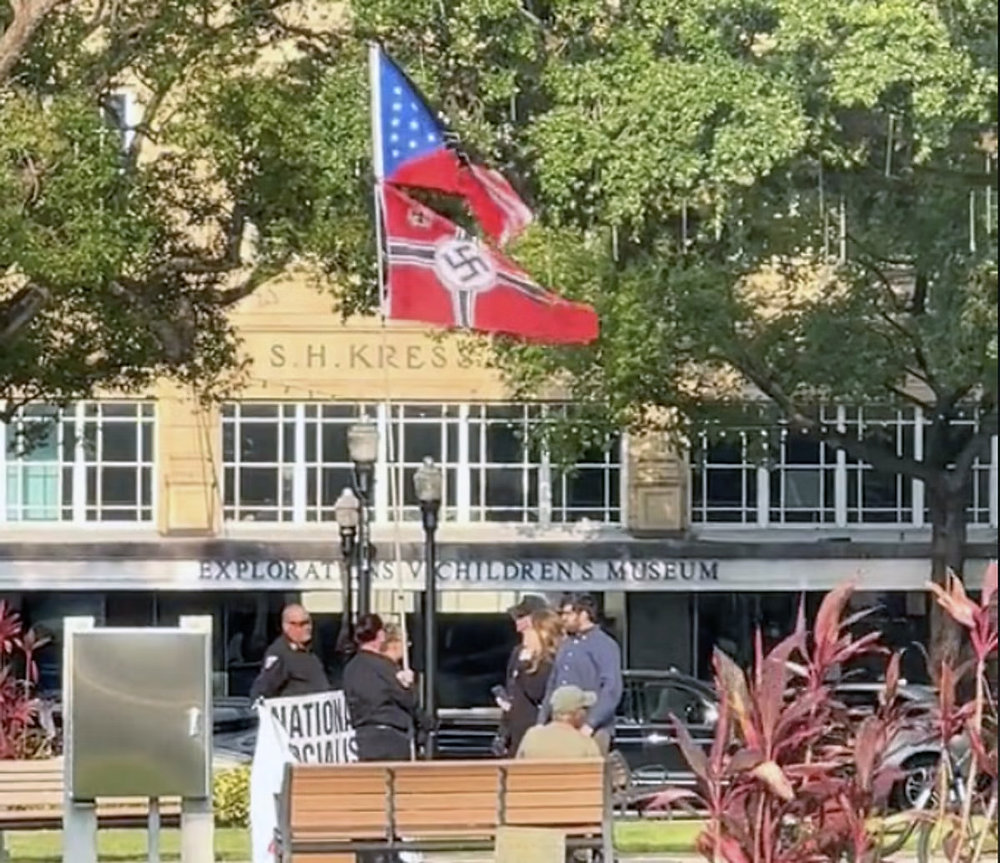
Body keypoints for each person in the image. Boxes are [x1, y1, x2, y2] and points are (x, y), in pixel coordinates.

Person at [540, 593, 623, 755]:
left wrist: (590, 724)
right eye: (562, 614)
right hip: (559, 727)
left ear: (584, 614)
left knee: (587, 776)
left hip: (591, 728)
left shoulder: (605, 645)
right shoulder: (566, 645)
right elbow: (552, 685)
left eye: (568, 613)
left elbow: (612, 689)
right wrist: (542, 721)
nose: (563, 618)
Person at [343, 613, 419, 761]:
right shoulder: (385, 667)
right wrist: (408, 684)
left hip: (361, 739)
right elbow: (408, 700)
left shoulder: (350, 668)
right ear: (380, 635)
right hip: (390, 739)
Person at [502, 608, 562, 756]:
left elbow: (536, 692)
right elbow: (511, 684)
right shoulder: (518, 653)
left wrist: (526, 664)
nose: (525, 634)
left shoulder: (550, 661)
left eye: (530, 630)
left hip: (535, 729)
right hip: (514, 728)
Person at [249, 603, 329, 701]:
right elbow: (262, 689)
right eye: (302, 624)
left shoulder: (311, 650)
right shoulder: (280, 653)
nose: (307, 628)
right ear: (287, 626)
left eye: (309, 623)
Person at [517, 685, 602, 760]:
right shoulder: (586, 744)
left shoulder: (531, 737)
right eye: (584, 708)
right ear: (577, 714)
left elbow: (517, 769)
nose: (587, 713)